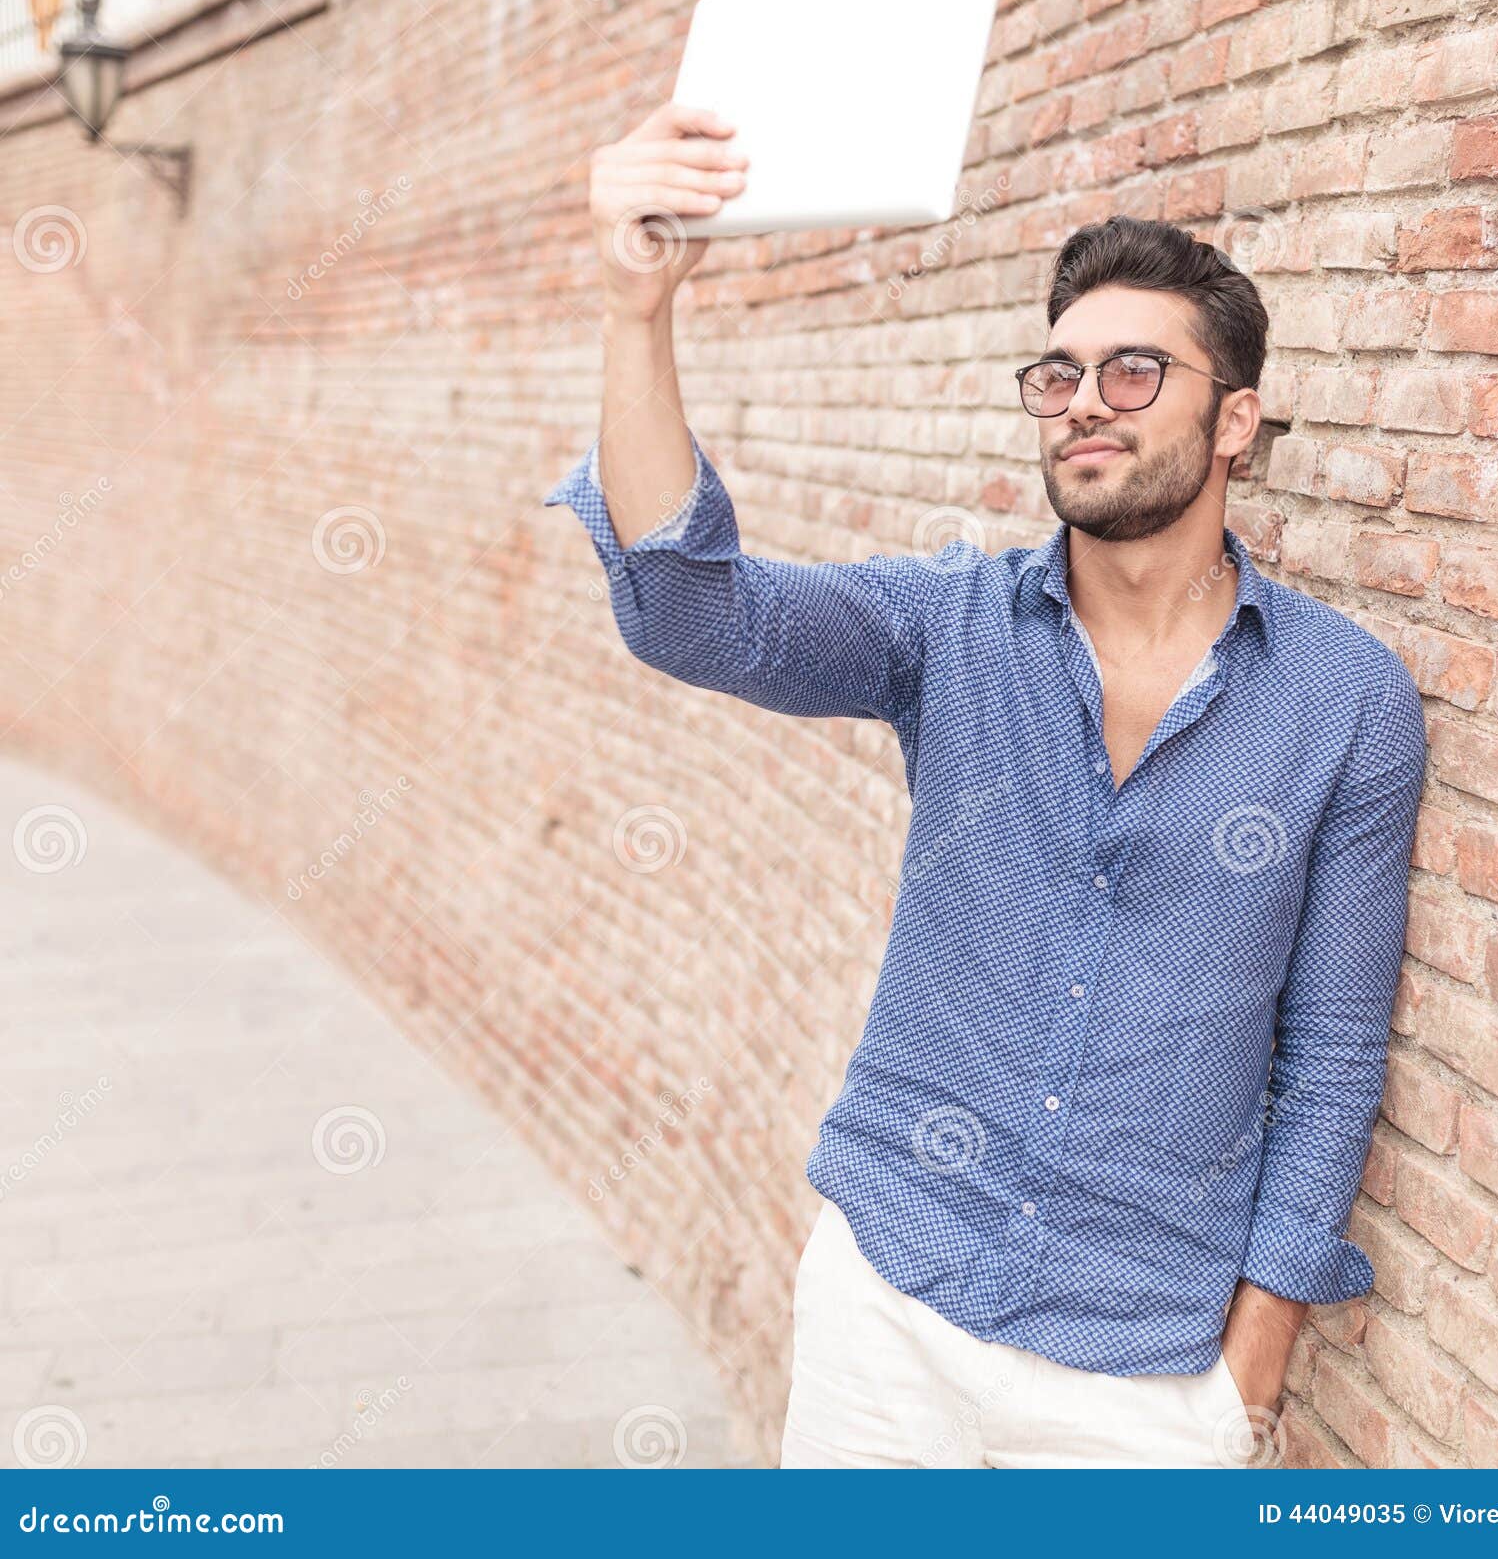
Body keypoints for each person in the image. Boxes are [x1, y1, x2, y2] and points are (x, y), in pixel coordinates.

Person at [544, 103, 1428, 1468]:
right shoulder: (945, 624)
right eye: (1060, 371)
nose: (1084, 398)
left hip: (1143, 1376)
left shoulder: (1345, 700)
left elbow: (1329, 1061)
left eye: (1136, 372)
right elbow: (689, 613)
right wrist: (633, 309)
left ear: (1235, 419)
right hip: (888, 1311)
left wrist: (1245, 1383)